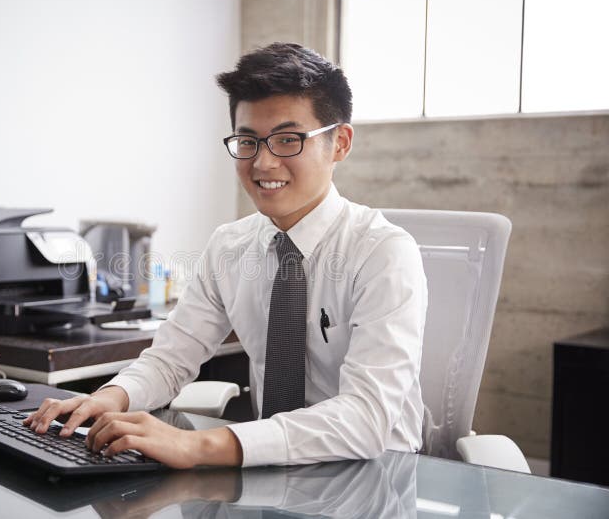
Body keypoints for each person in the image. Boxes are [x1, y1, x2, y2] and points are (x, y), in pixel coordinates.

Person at [23, 42, 427, 469]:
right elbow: (170, 359)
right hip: (271, 472)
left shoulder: (384, 253)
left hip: (376, 476)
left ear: (340, 143)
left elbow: (366, 419)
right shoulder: (229, 246)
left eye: (288, 140)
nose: (264, 163)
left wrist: (198, 446)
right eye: (248, 141)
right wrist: (107, 399)